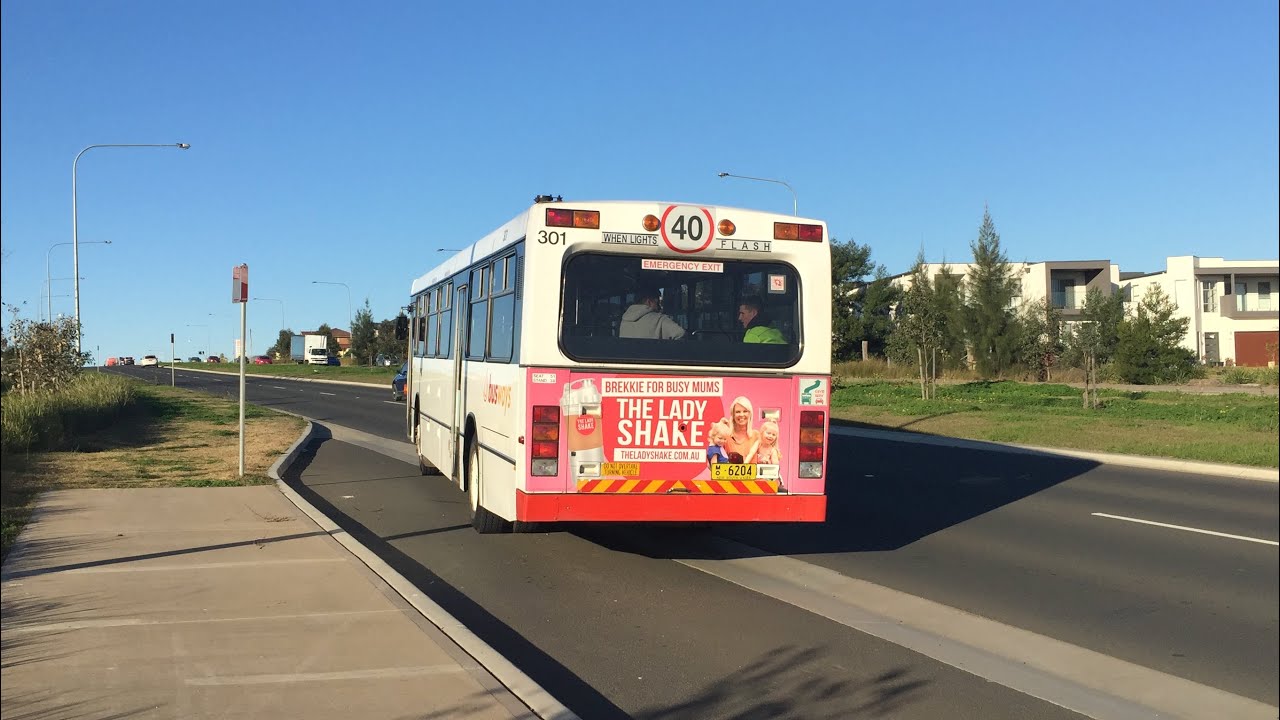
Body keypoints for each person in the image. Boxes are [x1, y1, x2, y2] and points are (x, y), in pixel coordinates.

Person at [619, 286, 685, 339]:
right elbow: (680, 334)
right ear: (649, 302)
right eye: (657, 303)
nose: (659, 307)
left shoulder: (624, 320)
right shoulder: (660, 319)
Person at [722, 396, 758, 461]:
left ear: (750, 414)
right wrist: (718, 427)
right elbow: (711, 462)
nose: (741, 415)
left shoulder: (757, 436)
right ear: (733, 414)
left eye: (745, 411)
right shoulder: (725, 436)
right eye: (738, 412)